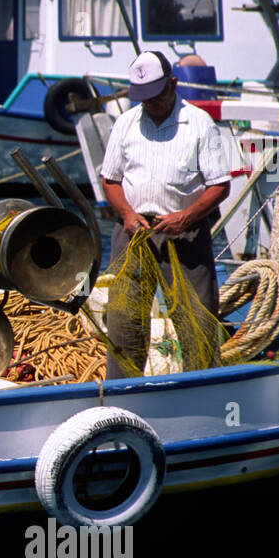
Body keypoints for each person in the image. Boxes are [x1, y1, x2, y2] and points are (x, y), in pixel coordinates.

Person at [100, 51, 232, 378]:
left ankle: (202, 392)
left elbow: (219, 186)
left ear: (173, 84)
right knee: (124, 322)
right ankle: (123, 395)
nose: (151, 104)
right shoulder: (126, 124)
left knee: (196, 322)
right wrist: (128, 215)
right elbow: (111, 180)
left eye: (157, 96)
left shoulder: (199, 124)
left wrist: (185, 218)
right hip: (134, 232)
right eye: (144, 98)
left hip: (185, 233)